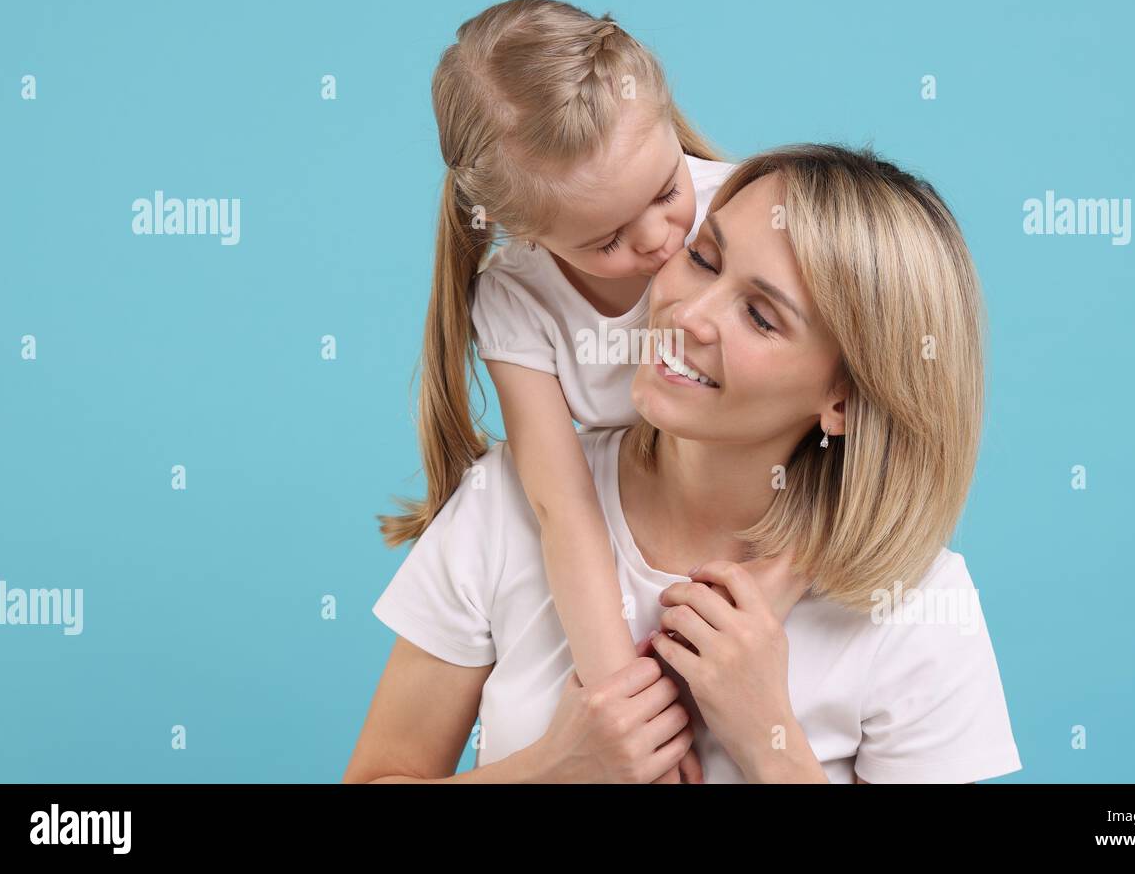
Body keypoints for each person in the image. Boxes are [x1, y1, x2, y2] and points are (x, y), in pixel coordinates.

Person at [346, 143, 1023, 783]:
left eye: (760, 316)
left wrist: (770, 741)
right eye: (702, 257)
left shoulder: (919, 604)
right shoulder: (504, 502)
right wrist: (556, 767)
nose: (688, 315)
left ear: (842, 399)